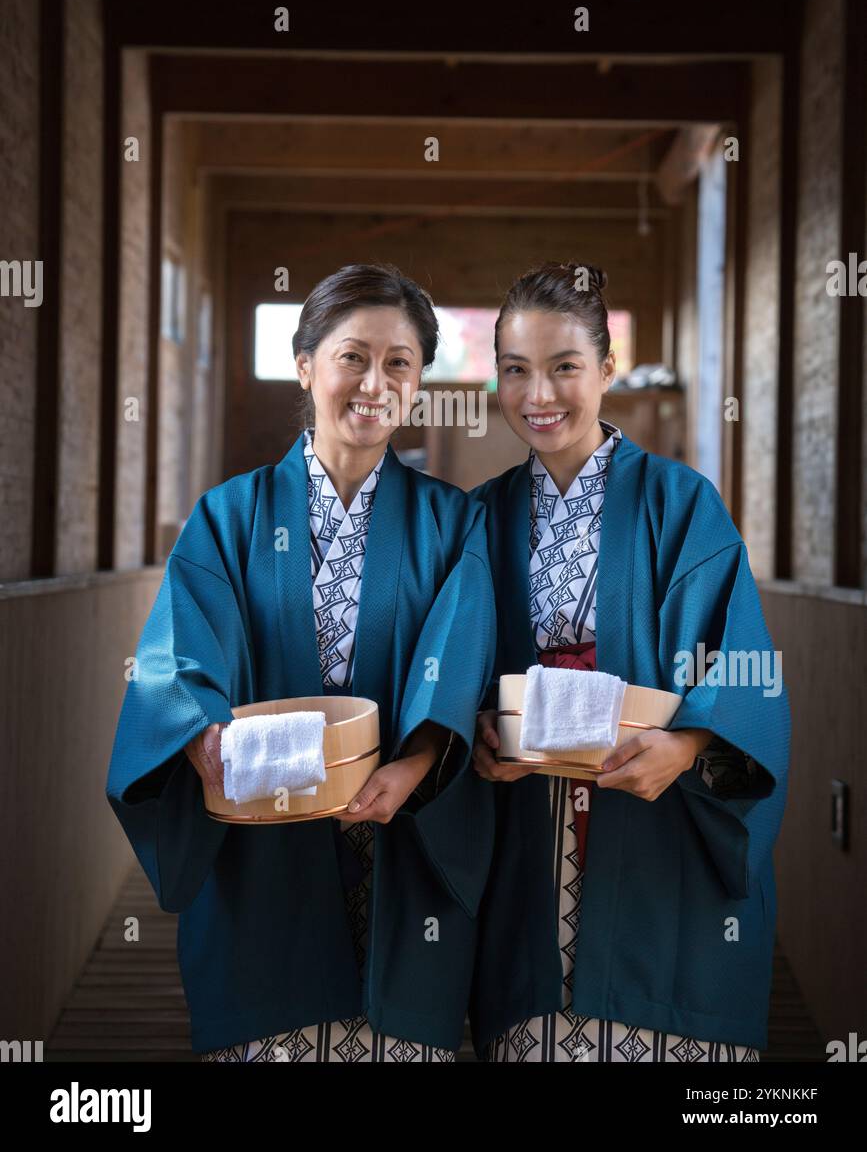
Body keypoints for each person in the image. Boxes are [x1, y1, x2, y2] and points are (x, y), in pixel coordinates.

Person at [106, 263, 496, 1062]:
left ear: (419, 381)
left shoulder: (452, 522)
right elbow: (176, 662)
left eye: (399, 363)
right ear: (305, 364)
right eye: (352, 355)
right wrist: (201, 742)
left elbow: (461, 661)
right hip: (262, 844)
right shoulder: (227, 517)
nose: (374, 382)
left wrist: (415, 765)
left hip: (401, 843)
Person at [468, 261, 790, 1063]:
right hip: (528, 832)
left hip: (655, 820)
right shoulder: (479, 516)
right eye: (515, 371)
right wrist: (468, 736)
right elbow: (444, 672)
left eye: (564, 367)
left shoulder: (680, 503)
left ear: (607, 369)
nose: (538, 394)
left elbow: (743, 667)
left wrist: (684, 746)